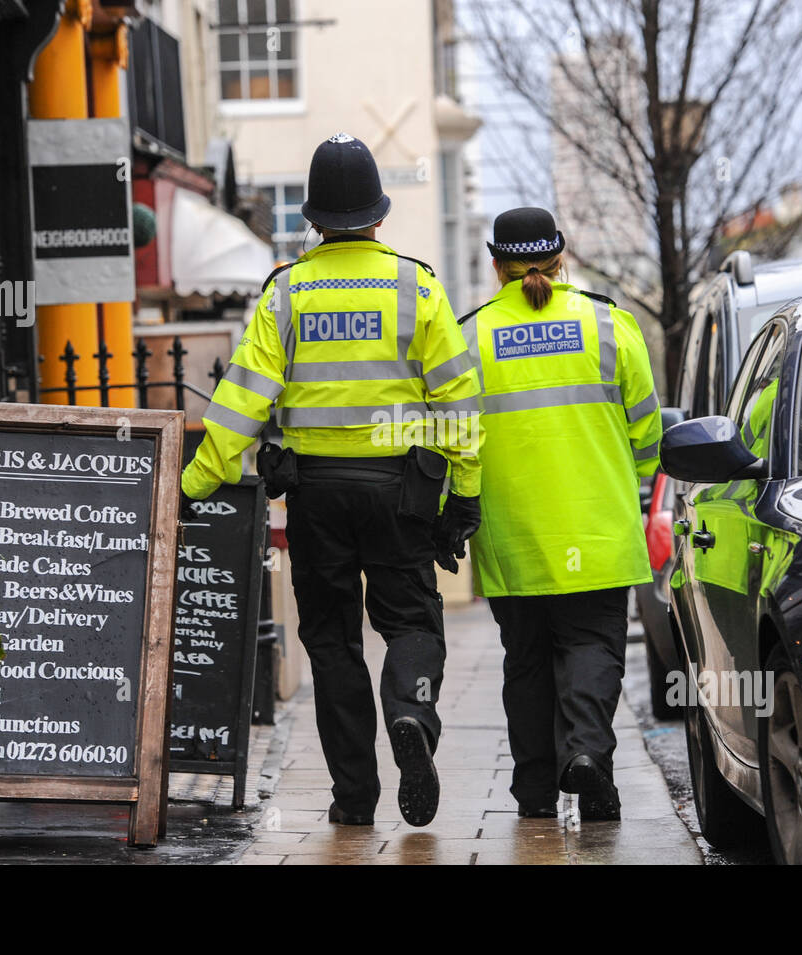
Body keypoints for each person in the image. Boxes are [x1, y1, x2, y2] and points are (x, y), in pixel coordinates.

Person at [181, 134, 484, 828]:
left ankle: (354, 799)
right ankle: (411, 706)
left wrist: (196, 483)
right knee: (411, 622)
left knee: (331, 642)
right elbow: (459, 402)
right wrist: (463, 493)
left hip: (316, 496)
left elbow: (242, 401)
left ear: (314, 219)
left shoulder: (285, 292)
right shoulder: (418, 287)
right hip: (401, 490)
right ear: (379, 215)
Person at [460, 207, 662, 820]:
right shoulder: (611, 325)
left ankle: (535, 793)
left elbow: (453, 440)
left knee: (525, 663)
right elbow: (648, 431)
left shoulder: (467, 337)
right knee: (593, 646)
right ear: (562, 256)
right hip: (598, 531)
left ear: (497, 265)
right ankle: (588, 755)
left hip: (513, 537)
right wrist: (635, 484)